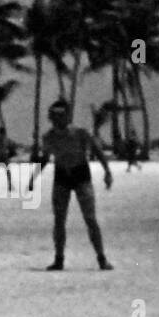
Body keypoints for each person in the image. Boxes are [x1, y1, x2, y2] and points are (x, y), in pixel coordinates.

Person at [28, 99, 113, 271]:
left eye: (60, 116)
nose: (56, 120)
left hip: (81, 175)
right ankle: (59, 259)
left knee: (90, 218)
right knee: (59, 220)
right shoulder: (49, 137)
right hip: (62, 177)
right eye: (53, 117)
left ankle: (101, 258)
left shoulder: (80, 133)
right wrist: (33, 178)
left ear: (66, 116)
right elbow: (45, 159)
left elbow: (96, 150)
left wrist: (107, 171)